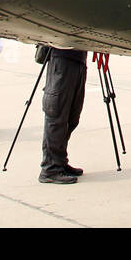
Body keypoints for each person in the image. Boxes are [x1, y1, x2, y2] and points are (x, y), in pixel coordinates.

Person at [39, 47, 88, 184]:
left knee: (72, 117)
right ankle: (50, 168)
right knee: (57, 114)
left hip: (78, 59)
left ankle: (59, 161)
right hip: (61, 58)